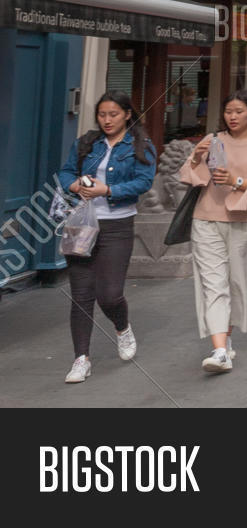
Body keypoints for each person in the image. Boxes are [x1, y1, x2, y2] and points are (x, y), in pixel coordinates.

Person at [57, 91, 157, 385]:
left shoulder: (141, 145)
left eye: (113, 114)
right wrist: (75, 185)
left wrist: (108, 191)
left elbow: (143, 181)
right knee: (81, 296)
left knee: (109, 294)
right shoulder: (87, 143)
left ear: (127, 114)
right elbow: (64, 173)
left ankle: (122, 327)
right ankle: (81, 359)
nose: (107, 120)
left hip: (117, 226)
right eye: (102, 115)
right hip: (81, 224)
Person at [179, 90, 247, 374]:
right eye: (228, 111)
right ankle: (220, 350)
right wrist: (196, 159)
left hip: (242, 221)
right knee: (213, 285)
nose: (232, 117)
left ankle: (226, 339)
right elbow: (188, 176)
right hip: (206, 219)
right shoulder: (213, 140)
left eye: (238, 111)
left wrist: (236, 181)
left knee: (237, 284)